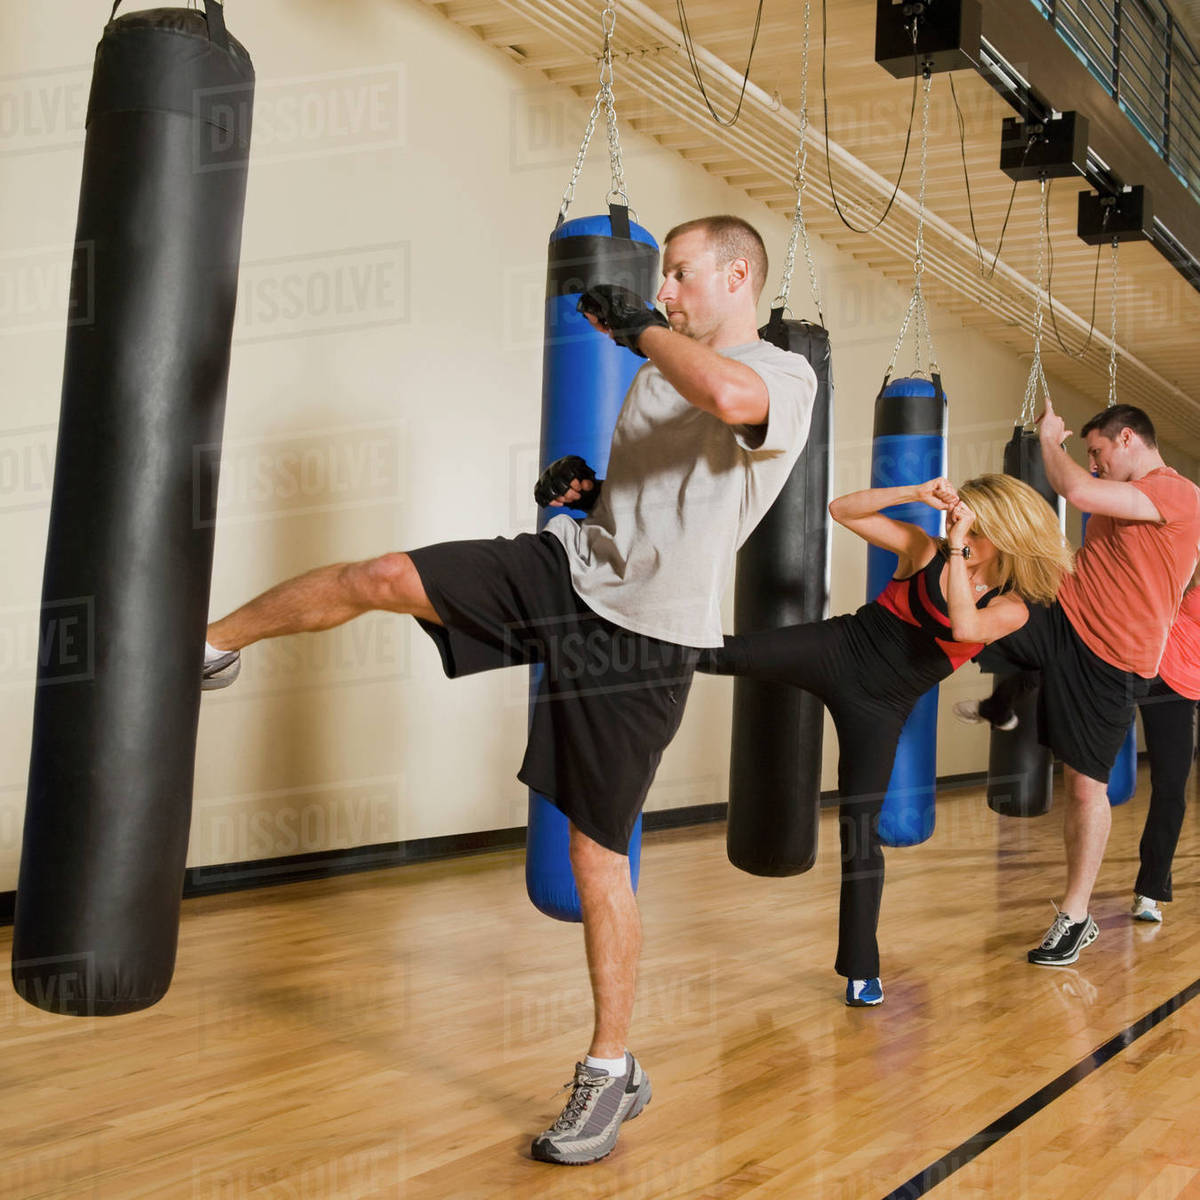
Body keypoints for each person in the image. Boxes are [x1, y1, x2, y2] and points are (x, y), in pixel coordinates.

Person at [199, 215, 818, 1165]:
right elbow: (661, 504)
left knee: (595, 856)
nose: (667, 291)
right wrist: (590, 495)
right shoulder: (658, 371)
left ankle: (611, 1069)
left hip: (648, 636)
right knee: (382, 575)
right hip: (571, 569)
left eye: (683, 275)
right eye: (661, 277)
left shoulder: (782, 374)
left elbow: (730, 399)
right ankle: (209, 647)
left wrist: (639, 326)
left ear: (738, 277)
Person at [697, 473, 1074, 1006]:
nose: (959, 527)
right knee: (725, 654)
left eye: (973, 524)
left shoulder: (1013, 607)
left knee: (860, 830)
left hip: (881, 707)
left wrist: (957, 549)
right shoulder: (924, 549)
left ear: (1002, 532)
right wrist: (914, 494)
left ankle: (860, 970)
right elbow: (841, 508)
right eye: (959, 518)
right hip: (842, 647)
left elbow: (965, 628)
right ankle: (608, 638)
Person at [959, 401, 1200, 966]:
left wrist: (1049, 440)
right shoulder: (1123, 494)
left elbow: (1076, 490)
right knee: (973, 614)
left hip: (1114, 659)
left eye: (1097, 451)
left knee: (1085, 788)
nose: (1093, 462)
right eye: (1087, 453)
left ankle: (1076, 916)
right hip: (1063, 615)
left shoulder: (1178, 494)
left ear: (1128, 439)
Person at [961, 562, 1200, 925]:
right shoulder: (1188, 557)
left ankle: (1150, 888)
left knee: (1171, 787)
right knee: (1060, 651)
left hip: (1180, 690)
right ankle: (999, 705)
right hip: (1139, 657)